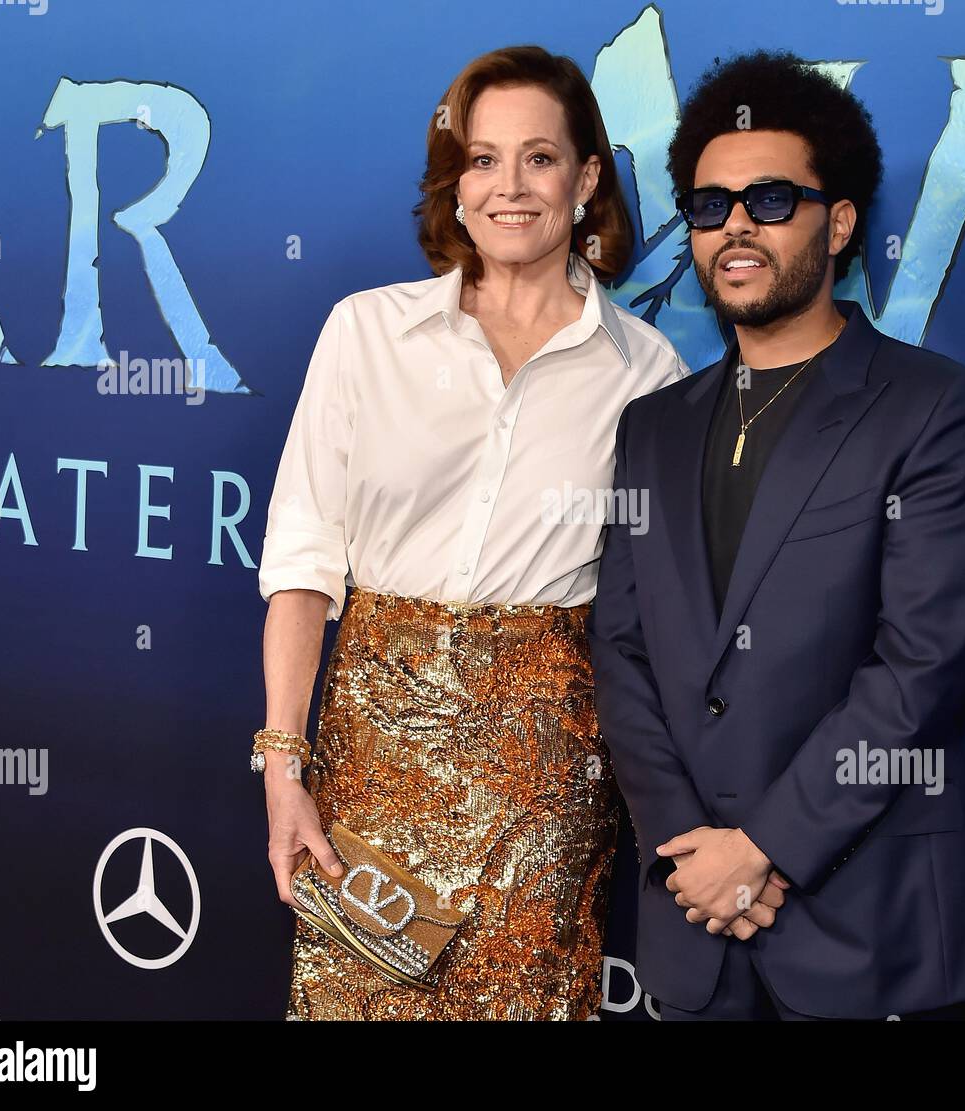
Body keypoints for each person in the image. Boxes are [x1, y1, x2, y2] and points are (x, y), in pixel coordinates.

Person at [255, 45, 689, 1020]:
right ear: (453, 182)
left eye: (538, 158)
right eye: (481, 159)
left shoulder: (648, 372)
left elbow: (650, 608)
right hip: (371, 769)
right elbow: (302, 564)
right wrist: (285, 768)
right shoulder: (365, 334)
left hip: (543, 783)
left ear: (584, 180)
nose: (508, 187)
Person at [587, 49, 965, 1021]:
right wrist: (690, 849)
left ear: (841, 222)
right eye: (708, 206)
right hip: (692, 932)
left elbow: (922, 667)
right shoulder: (651, 426)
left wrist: (762, 847)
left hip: (870, 935)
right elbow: (620, 652)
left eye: (771, 199)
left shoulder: (933, 410)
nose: (735, 225)